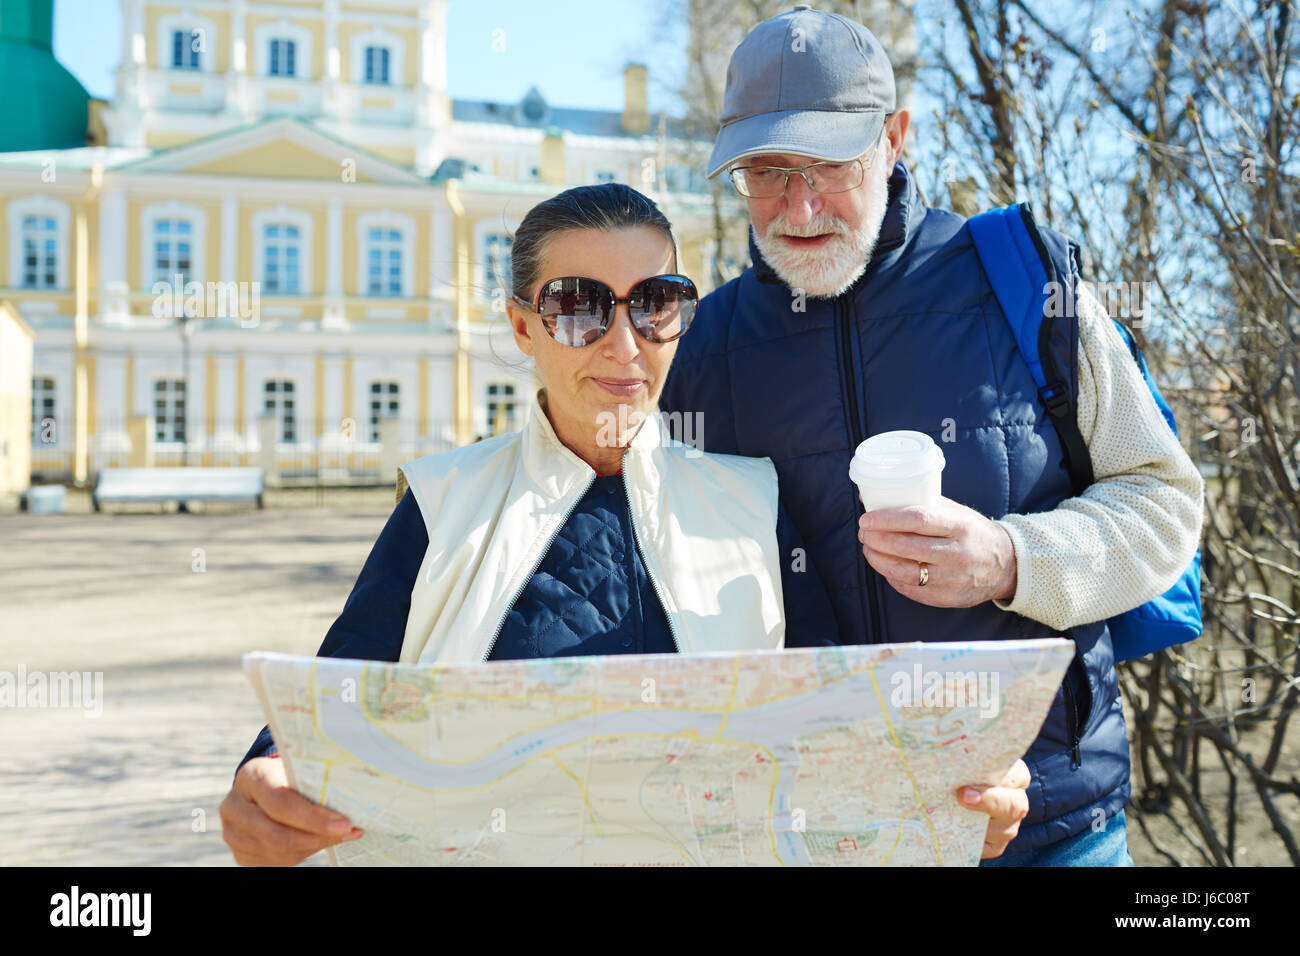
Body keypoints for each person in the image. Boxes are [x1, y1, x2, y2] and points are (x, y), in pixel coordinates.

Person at [659, 6, 1205, 865]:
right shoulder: (705, 343)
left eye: (831, 163)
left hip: (1055, 823)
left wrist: (1011, 560)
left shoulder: (1021, 280)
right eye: (766, 170)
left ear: (895, 137)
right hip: (824, 829)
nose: (799, 208)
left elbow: (1164, 502)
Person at [220, 183, 842, 866]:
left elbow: (837, 724)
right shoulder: (442, 500)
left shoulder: (752, 503)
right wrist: (271, 776)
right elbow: (339, 697)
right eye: (579, 308)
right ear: (522, 326)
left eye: (654, 304)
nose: (625, 345)